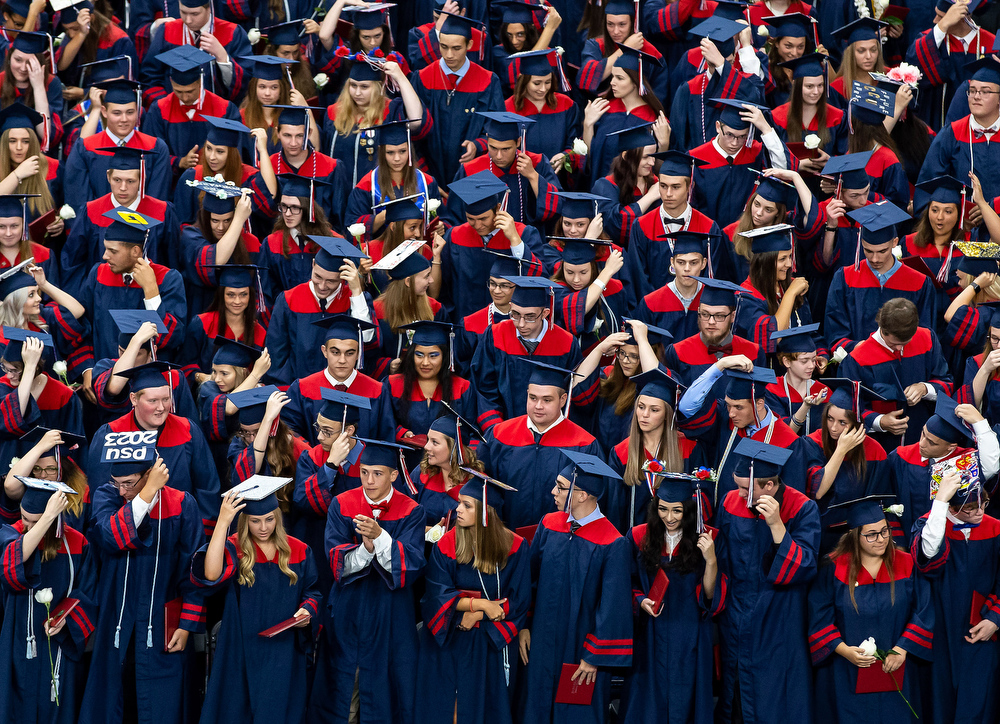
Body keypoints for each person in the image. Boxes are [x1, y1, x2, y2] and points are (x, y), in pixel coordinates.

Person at [81, 440, 206, 724]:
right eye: (117, 482)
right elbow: (112, 538)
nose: (122, 491)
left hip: (161, 621)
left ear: (150, 473)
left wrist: (187, 625)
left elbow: (194, 572)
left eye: (129, 483)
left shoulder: (182, 504)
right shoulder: (107, 496)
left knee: (161, 702)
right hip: (116, 617)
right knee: (115, 697)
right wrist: (146, 493)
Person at [310, 438, 426, 724]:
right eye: (364, 472)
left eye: (378, 473)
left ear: (394, 475)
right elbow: (336, 561)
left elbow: (411, 566)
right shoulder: (342, 503)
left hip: (392, 613)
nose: (369, 480)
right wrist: (367, 548)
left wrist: (380, 537)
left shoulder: (412, 510)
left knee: (387, 686)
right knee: (345, 684)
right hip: (350, 609)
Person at [192, 478, 321, 724]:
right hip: (240, 647)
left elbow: (313, 592)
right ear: (245, 521)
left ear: (278, 518)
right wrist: (223, 521)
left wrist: (307, 611)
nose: (263, 527)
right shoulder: (234, 548)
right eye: (255, 521)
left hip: (283, 650)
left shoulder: (300, 550)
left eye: (269, 519)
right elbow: (210, 574)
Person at [519, 451, 633, 724]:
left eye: (560, 487)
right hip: (542, 641)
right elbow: (529, 581)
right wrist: (523, 624)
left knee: (575, 713)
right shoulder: (549, 524)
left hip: (579, 651)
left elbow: (613, 607)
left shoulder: (612, 542)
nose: (552, 492)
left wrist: (593, 656)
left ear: (582, 495)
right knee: (536, 707)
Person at [715, 438, 820, 724]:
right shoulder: (729, 502)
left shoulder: (802, 508)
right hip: (735, 611)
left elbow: (806, 566)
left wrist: (776, 525)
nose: (738, 493)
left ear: (770, 487)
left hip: (778, 615)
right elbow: (722, 558)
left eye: (745, 488)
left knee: (775, 694)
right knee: (735, 693)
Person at [415, 473, 530, 724]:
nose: (458, 509)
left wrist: (478, 614)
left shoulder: (516, 547)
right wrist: (480, 604)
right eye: (459, 503)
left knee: (484, 708)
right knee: (448, 707)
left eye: (467, 505)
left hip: (489, 642)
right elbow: (436, 594)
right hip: (450, 635)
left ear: (486, 512)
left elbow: (520, 599)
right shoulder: (447, 543)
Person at [807, 495, 933, 724]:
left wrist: (902, 649)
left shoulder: (906, 564)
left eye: (884, 531)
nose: (881, 539)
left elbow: (923, 610)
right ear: (855, 536)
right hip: (847, 673)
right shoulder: (833, 568)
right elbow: (820, 617)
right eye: (871, 535)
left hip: (898, 672)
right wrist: (844, 650)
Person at [618, 473, 724, 724]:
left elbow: (710, 596)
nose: (669, 517)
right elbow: (627, 583)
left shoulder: (709, 538)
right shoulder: (638, 536)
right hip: (651, 632)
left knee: (687, 701)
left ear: (688, 510)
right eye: (663, 509)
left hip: (691, 635)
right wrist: (641, 600)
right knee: (646, 702)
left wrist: (711, 560)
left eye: (677, 511)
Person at [0, 478, 98, 724]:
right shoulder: (9, 533)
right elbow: (11, 571)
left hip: (58, 642)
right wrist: (43, 520)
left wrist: (67, 618)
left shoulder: (77, 542)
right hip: (16, 637)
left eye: (36, 520)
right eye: (25, 518)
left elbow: (88, 592)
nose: (27, 525)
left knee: (57, 704)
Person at [87, 361, 222, 536]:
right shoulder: (111, 433)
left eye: (166, 399)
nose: (161, 408)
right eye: (153, 401)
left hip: (178, 531)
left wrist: (198, 537)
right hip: (129, 534)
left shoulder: (187, 430)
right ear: (134, 399)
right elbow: (102, 493)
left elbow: (207, 489)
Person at [912, 472, 1000, 724]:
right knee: (940, 704)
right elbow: (928, 562)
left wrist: (995, 618)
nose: (980, 512)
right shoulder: (928, 526)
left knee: (978, 703)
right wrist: (939, 504)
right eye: (971, 508)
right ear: (951, 506)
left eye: (984, 503)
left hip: (981, 629)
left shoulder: (995, 528)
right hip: (938, 628)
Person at [678, 361, 809, 510]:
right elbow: (686, 407)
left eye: (738, 407)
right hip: (720, 519)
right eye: (728, 405)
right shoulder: (723, 418)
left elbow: (792, 499)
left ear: (758, 404)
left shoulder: (788, 441)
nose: (731, 413)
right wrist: (719, 366)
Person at [875, 393, 999, 548]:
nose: (921, 444)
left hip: (946, 546)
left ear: (951, 447)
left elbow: (991, 466)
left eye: (931, 443)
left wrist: (980, 424)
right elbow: (886, 500)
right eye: (923, 434)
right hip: (905, 542)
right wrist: (897, 543)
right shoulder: (900, 457)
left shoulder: (963, 463)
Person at [824, 202, 938, 356]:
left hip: (901, 364)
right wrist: (859, 347)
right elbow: (834, 330)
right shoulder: (845, 278)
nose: (875, 258)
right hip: (858, 362)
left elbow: (924, 333)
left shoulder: (918, 282)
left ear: (894, 242)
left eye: (882, 251)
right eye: (868, 251)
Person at [78, 211, 187, 371]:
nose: (104, 256)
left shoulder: (168, 279)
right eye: (105, 248)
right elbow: (82, 326)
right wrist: (87, 369)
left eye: (113, 251)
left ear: (136, 251)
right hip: (104, 376)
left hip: (149, 380)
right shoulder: (99, 274)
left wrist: (151, 290)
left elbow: (172, 338)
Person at [838, 298, 954, 447]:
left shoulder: (927, 338)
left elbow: (947, 382)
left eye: (905, 343)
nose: (899, 349)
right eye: (893, 343)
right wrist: (880, 421)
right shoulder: (858, 359)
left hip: (921, 440)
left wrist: (925, 388)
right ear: (882, 328)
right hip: (880, 445)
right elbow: (850, 407)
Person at [439, 172, 552, 321]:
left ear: (498, 208)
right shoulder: (456, 236)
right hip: (467, 325)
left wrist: (515, 240)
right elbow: (444, 287)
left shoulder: (523, 233)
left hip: (511, 324)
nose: (477, 225)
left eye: (483, 218)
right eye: (471, 219)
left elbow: (540, 278)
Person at [263, 236, 378, 385]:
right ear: (313, 264)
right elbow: (277, 354)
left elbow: (367, 340)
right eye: (318, 277)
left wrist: (356, 290)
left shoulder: (354, 300)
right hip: (299, 391)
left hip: (343, 389)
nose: (322, 286)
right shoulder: (289, 300)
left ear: (343, 278)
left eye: (331, 281)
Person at [624, 150, 726, 309]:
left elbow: (712, 278)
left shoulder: (708, 227)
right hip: (656, 313)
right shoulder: (642, 226)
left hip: (697, 313)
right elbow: (639, 280)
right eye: (663, 186)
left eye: (676, 187)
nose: (668, 194)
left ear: (689, 187)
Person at [471, 275, 581, 421]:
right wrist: (496, 429)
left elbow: (570, 396)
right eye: (515, 314)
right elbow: (484, 389)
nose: (521, 324)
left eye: (530, 317)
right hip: (502, 429)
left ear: (545, 313)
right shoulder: (495, 335)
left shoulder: (565, 343)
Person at [606, 368, 702, 533]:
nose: (644, 415)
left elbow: (698, 500)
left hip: (678, 540)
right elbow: (616, 508)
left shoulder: (688, 447)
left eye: (654, 410)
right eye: (641, 407)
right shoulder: (621, 452)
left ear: (667, 414)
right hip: (635, 540)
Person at [412, 12, 503, 184]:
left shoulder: (487, 81)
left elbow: (496, 129)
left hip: (472, 174)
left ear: (469, 44)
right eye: (443, 47)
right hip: (429, 173)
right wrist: (425, 177)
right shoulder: (423, 78)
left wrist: (478, 145)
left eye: (456, 48)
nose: (449, 55)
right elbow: (414, 132)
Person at [62, 78, 171, 217]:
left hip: (142, 230)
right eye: (117, 113)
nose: (124, 119)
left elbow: (156, 199)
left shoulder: (156, 148)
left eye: (130, 112)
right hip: (96, 230)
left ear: (138, 111)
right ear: (104, 112)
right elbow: (78, 199)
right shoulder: (85, 148)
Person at [803, 381, 888, 553]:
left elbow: (876, 503)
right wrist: (841, 450)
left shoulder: (875, 451)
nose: (833, 428)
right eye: (830, 419)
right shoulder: (813, 443)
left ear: (857, 423)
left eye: (842, 422)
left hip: (859, 536)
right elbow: (818, 491)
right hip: (820, 532)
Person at [380, 320, 497, 444]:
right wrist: (401, 432)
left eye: (433, 356)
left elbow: (473, 432)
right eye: (419, 355)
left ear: (445, 357)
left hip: (449, 461)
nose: (425, 362)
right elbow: (383, 422)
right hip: (403, 458)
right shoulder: (393, 384)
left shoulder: (462, 388)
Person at [443, 110, 562, 230]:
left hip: (527, 243)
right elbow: (455, 217)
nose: (499, 156)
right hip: (484, 246)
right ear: (487, 139)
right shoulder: (471, 169)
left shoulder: (537, 163)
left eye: (506, 149)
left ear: (518, 142)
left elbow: (557, 207)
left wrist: (532, 175)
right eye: (493, 148)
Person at [281, 314, 390, 444]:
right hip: (315, 463)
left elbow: (385, 440)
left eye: (350, 353)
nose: (342, 360)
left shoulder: (376, 391)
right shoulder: (302, 388)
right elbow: (291, 432)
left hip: (363, 463)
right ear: (324, 351)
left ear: (358, 354)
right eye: (335, 352)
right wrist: (313, 459)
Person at [320, 57, 427, 188]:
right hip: (337, 189)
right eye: (353, 85)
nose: (357, 93)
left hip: (375, 190)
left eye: (364, 87)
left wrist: (400, 77)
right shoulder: (334, 112)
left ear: (378, 87)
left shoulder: (390, 110)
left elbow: (416, 120)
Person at [140, 46, 245, 175]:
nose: (185, 98)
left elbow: (234, 155)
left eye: (190, 91)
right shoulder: (159, 110)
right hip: (171, 186)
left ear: (200, 82)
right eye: (178, 91)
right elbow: (151, 153)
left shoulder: (224, 109)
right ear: (171, 82)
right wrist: (179, 162)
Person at [689, 99, 792, 230]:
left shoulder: (756, 152)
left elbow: (781, 170)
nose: (734, 143)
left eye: (742, 136)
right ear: (717, 127)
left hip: (748, 234)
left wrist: (766, 128)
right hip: (709, 234)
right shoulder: (697, 157)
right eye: (729, 135)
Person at [916, 56, 1000, 213]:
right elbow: (930, 186)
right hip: (962, 227)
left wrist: (992, 210)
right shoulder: (952, 134)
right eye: (972, 91)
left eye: (985, 92)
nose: (976, 96)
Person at [661, 276, 765, 394]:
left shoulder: (753, 352)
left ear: (733, 316)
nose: (711, 322)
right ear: (698, 312)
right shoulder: (678, 352)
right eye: (705, 314)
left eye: (719, 316)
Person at [344, 119, 441, 243]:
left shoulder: (427, 182)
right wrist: (384, 216)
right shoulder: (367, 186)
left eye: (402, 151)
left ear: (410, 150)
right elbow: (352, 228)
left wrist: (441, 227)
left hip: (421, 252)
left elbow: (445, 219)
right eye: (390, 152)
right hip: (382, 253)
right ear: (381, 151)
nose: (397, 158)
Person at [93, 312, 198, 426]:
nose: (127, 357)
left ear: (153, 351)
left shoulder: (172, 376)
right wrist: (136, 341)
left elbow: (189, 422)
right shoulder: (105, 367)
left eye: (137, 353)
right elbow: (114, 388)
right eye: (121, 351)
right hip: (121, 439)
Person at [582, 45, 668, 182]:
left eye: (619, 78)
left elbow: (657, 173)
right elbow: (589, 161)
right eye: (612, 76)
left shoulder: (655, 120)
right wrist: (588, 125)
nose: (612, 82)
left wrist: (664, 145)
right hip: (600, 190)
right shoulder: (604, 109)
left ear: (636, 81)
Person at [571, 320, 663, 448]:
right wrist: (599, 349)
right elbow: (578, 392)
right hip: (600, 456)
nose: (625, 361)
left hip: (630, 457)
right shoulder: (609, 376)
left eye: (634, 356)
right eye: (622, 353)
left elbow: (654, 378)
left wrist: (642, 340)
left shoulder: (659, 384)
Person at [138, 0, 251, 104]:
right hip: (172, 116)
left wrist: (222, 57)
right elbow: (150, 78)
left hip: (216, 114)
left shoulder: (232, 33)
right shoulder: (167, 31)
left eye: (195, 14)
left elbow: (245, 84)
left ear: (209, 9)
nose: (188, 20)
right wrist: (166, 105)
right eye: (183, 12)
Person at [906, 0, 994, 131]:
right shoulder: (931, 40)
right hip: (937, 125)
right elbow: (913, 66)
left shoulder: (991, 44)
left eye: (942, 17)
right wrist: (943, 25)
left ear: (961, 19)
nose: (936, 21)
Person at [173, 119, 277, 227]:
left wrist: (263, 151)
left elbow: (270, 198)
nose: (212, 157)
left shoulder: (248, 177)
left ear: (232, 154)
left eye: (220, 151)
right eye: (208, 148)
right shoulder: (193, 176)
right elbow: (182, 224)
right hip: (200, 241)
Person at [735, 223, 818, 352]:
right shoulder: (745, 296)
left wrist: (821, 355)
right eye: (782, 259)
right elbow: (771, 337)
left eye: (790, 256)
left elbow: (810, 334)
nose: (789, 264)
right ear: (764, 262)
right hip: (765, 369)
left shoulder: (791, 285)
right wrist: (790, 294)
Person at [726, 170, 818, 284]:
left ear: (778, 213)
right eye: (756, 204)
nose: (759, 213)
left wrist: (795, 176)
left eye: (768, 209)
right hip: (747, 296)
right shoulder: (730, 233)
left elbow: (813, 217)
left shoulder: (788, 226)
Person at [258, 174, 339, 302]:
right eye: (284, 206)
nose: (288, 214)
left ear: (308, 209)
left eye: (295, 207)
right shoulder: (272, 243)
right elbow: (265, 292)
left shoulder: (333, 241)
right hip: (284, 315)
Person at [181, 265, 268, 382]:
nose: (237, 301)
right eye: (231, 295)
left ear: (251, 296)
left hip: (244, 395)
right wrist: (204, 378)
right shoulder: (203, 323)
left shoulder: (259, 331)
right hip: (207, 394)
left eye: (243, 294)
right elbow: (185, 365)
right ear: (222, 295)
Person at [503, 48, 581, 169]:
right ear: (524, 81)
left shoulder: (566, 104)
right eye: (537, 83)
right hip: (521, 174)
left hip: (557, 175)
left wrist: (564, 155)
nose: (543, 89)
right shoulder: (508, 108)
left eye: (548, 82)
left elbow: (575, 141)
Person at [3, 426, 89, 532]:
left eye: (51, 469)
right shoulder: (31, 488)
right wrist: (40, 447)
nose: (43, 475)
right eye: (37, 468)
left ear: (65, 468)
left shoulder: (84, 494)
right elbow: (10, 486)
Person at [410, 414, 485, 532]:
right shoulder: (421, 473)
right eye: (428, 439)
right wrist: (426, 531)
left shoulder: (477, 483)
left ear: (454, 448)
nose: (426, 446)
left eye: (435, 442)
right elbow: (405, 518)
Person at [550, 238, 626, 353]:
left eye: (583, 272)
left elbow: (624, 324)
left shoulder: (614, 287)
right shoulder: (555, 291)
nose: (576, 280)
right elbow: (577, 307)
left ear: (593, 268)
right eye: (569, 272)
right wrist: (607, 271)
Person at [591, 124, 660, 246]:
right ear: (626, 156)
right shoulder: (605, 186)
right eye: (645, 157)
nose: (652, 162)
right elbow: (616, 226)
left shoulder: (655, 182)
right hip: (620, 257)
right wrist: (650, 197)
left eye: (654, 156)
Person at [633, 232, 710, 342]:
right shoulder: (651, 303)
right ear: (672, 263)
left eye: (693, 263)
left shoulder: (712, 301)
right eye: (681, 262)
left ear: (703, 263)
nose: (687, 269)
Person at [764, 325, 831, 436]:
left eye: (814, 360)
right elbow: (782, 435)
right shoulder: (772, 390)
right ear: (787, 362)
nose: (811, 366)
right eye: (804, 361)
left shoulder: (823, 391)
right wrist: (806, 406)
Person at [829, 18, 887, 107]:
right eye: (861, 51)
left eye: (873, 50)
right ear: (851, 54)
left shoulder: (889, 78)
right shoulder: (838, 87)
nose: (868, 56)